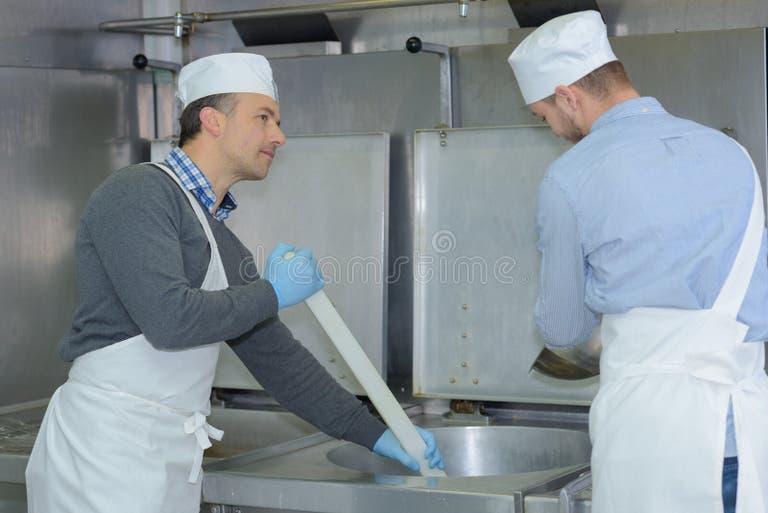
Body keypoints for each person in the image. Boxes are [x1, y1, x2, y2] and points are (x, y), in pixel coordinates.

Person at [25, 52, 444, 513]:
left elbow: (278, 360)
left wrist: (379, 434)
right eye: (263, 118)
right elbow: (169, 320)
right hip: (101, 455)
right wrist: (272, 292)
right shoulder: (137, 193)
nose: (279, 136)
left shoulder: (215, 234)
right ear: (212, 120)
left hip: (164, 460)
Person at [507, 11, 768, 513]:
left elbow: (562, 329)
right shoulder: (733, 153)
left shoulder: (569, 178)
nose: (554, 130)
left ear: (568, 96)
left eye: (545, 116)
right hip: (746, 432)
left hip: (653, 442)